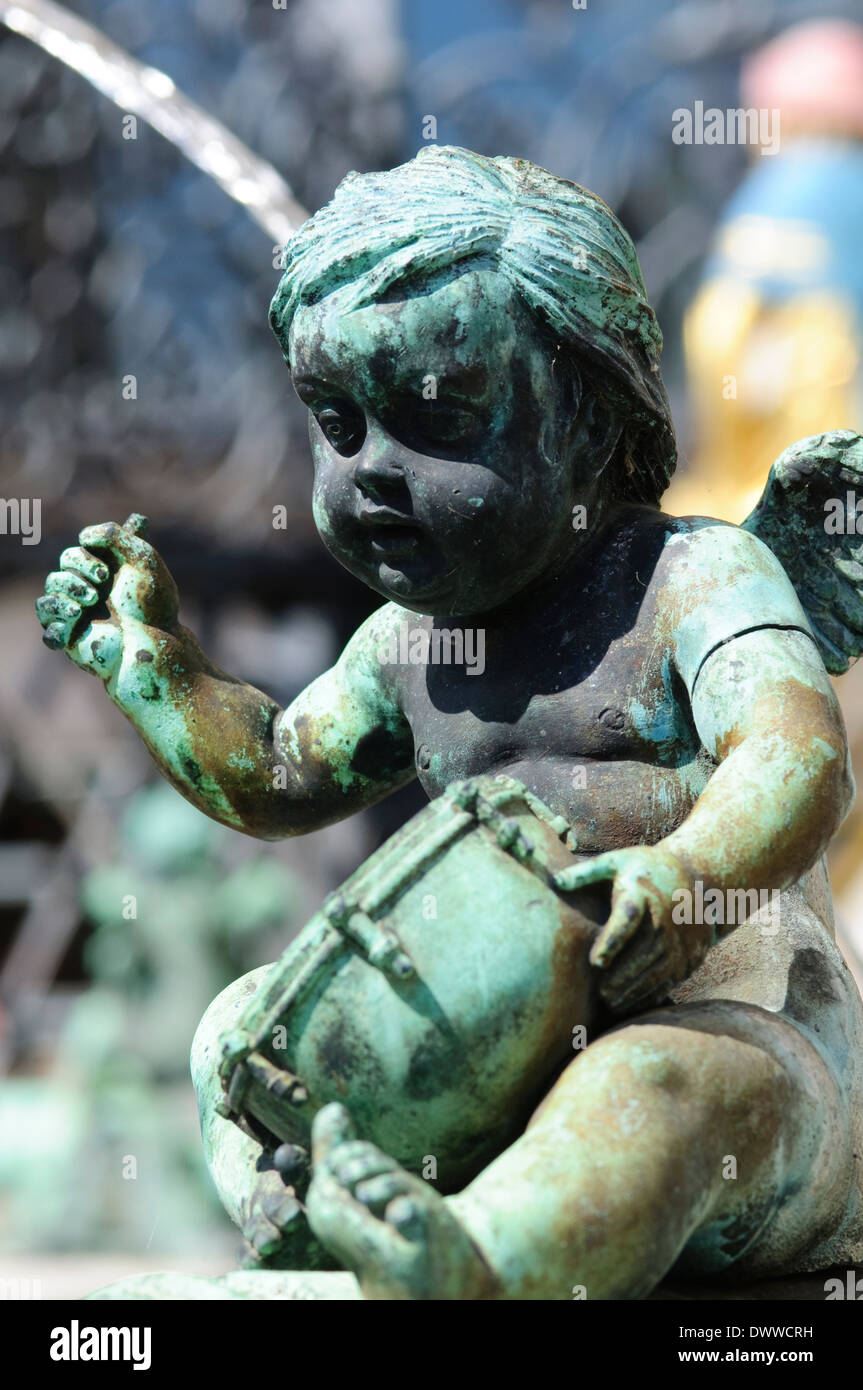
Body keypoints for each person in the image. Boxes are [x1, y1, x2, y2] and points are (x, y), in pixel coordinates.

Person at [37, 146, 863, 1298]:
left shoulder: (694, 579)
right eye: (335, 424)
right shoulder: (404, 641)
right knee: (238, 1029)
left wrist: (687, 877)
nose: (369, 472)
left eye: (435, 420)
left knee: (641, 1089)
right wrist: (151, 663)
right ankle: (316, 1225)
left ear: (585, 416)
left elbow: (795, 754)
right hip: (484, 1098)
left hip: (754, 1072)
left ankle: (482, 1269)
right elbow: (276, 774)